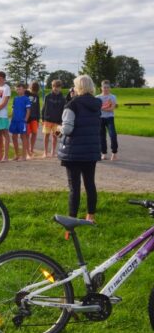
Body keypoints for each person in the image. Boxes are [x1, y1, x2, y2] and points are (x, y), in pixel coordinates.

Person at [58, 75, 102, 224]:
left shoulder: (72, 104)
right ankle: (91, 216)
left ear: (78, 87)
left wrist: (58, 128)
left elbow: (67, 129)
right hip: (91, 150)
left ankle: (72, 218)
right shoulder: (96, 104)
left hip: (74, 151)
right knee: (90, 184)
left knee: (74, 187)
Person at [41, 79, 65, 158]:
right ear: (52, 87)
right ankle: (45, 152)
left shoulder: (63, 98)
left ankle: (53, 152)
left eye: (57, 87)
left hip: (58, 121)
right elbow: (43, 108)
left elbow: (63, 110)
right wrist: (42, 119)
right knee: (46, 135)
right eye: (54, 86)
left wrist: (62, 121)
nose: (55, 88)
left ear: (60, 88)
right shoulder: (47, 96)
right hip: (47, 120)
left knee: (55, 136)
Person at [9, 84, 31, 161]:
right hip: (14, 120)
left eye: (20, 89)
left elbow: (28, 110)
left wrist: (25, 119)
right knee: (14, 136)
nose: (18, 90)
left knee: (23, 137)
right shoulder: (15, 98)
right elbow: (13, 109)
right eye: (17, 89)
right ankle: (16, 155)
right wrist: (11, 117)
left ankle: (24, 156)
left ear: (24, 89)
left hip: (22, 121)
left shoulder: (26, 99)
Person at [97, 80, 119, 160]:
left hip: (110, 118)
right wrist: (106, 107)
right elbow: (96, 108)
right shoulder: (97, 97)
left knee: (113, 135)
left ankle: (114, 153)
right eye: (104, 87)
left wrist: (101, 108)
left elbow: (111, 109)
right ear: (101, 88)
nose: (106, 89)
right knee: (102, 136)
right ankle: (104, 153)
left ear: (110, 88)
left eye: (107, 87)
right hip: (100, 118)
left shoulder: (113, 97)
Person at [26, 81, 41, 158]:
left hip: (34, 118)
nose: (34, 91)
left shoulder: (36, 96)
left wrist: (38, 119)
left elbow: (38, 107)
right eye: (32, 88)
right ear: (30, 87)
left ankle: (31, 149)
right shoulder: (26, 94)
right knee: (27, 134)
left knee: (34, 133)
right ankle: (27, 151)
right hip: (27, 117)